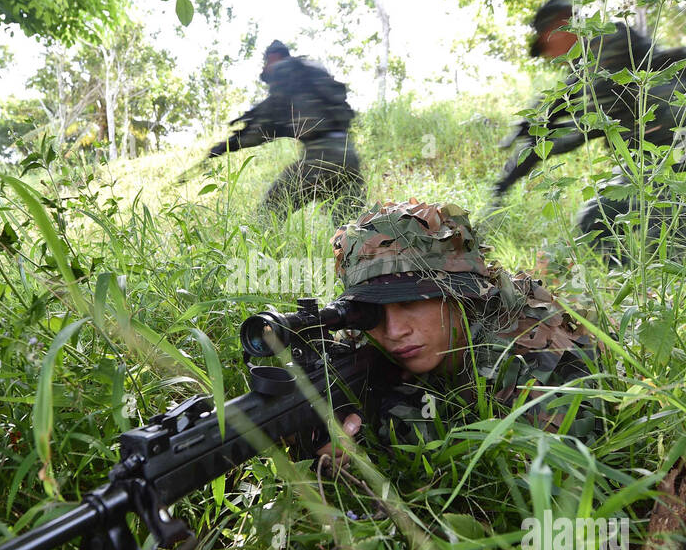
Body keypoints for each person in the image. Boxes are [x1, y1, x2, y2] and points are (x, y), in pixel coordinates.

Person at [316, 199, 601, 468]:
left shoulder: (535, 348)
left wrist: (377, 449)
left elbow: (548, 471)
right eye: (373, 311)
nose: (394, 331)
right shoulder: (365, 344)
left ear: (461, 296)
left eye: (410, 302)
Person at [491, 0, 686, 263]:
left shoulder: (607, 45)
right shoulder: (589, 59)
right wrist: (527, 134)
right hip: (648, 154)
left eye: (547, 41)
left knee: (657, 244)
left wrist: (523, 160)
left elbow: (586, 124)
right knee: (598, 224)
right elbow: (559, 102)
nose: (550, 54)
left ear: (563, 24)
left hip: (672, 147)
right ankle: (631, 281)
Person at [203, 40, 365, 223]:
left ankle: (261, 252)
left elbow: (265, 124)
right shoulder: (312, 74)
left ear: (274, 57)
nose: (267, 68)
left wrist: (227, 145)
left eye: (267, 62)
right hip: (348, 155)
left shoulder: (285, 71)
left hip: (320, 157)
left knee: (267, 215)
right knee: (353, 231)